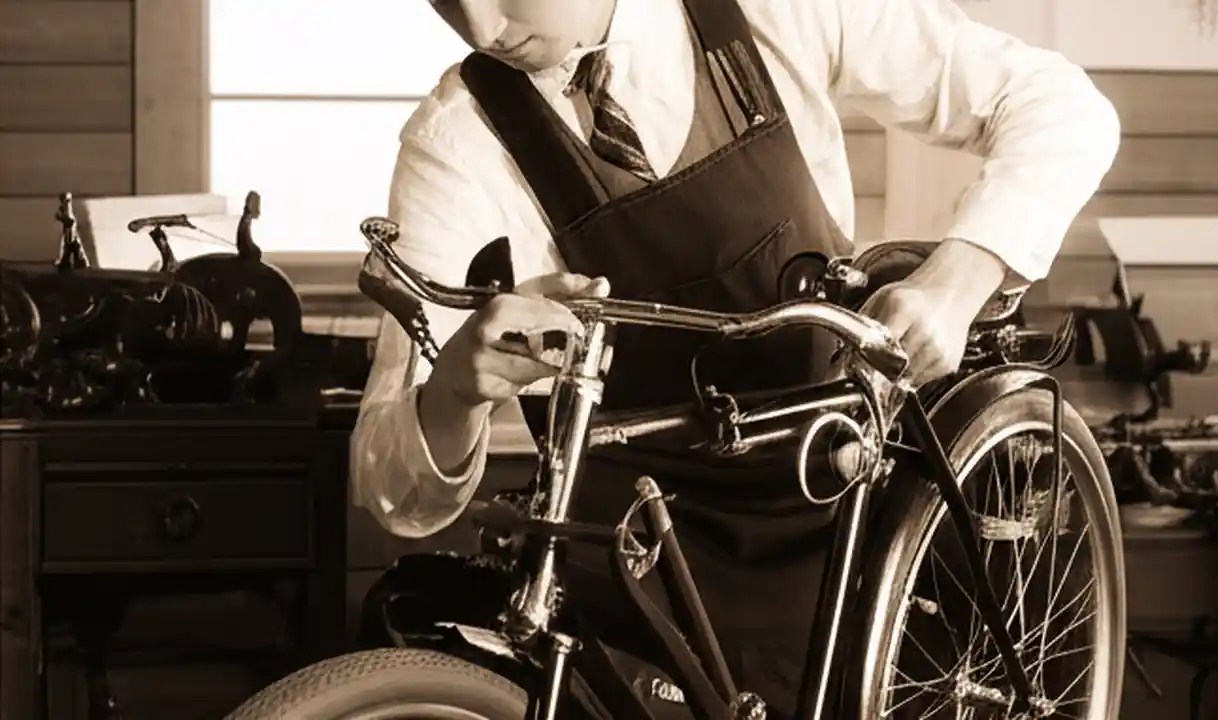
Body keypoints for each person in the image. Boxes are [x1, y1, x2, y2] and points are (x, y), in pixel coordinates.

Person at [352, 0, 1120, 714]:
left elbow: (1062, 108)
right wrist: (455, 390)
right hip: (641, 565)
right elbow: (393, 487)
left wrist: (956, 282)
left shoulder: (771, 10)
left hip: (843, 515)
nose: (483, 26)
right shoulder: (457, 140)